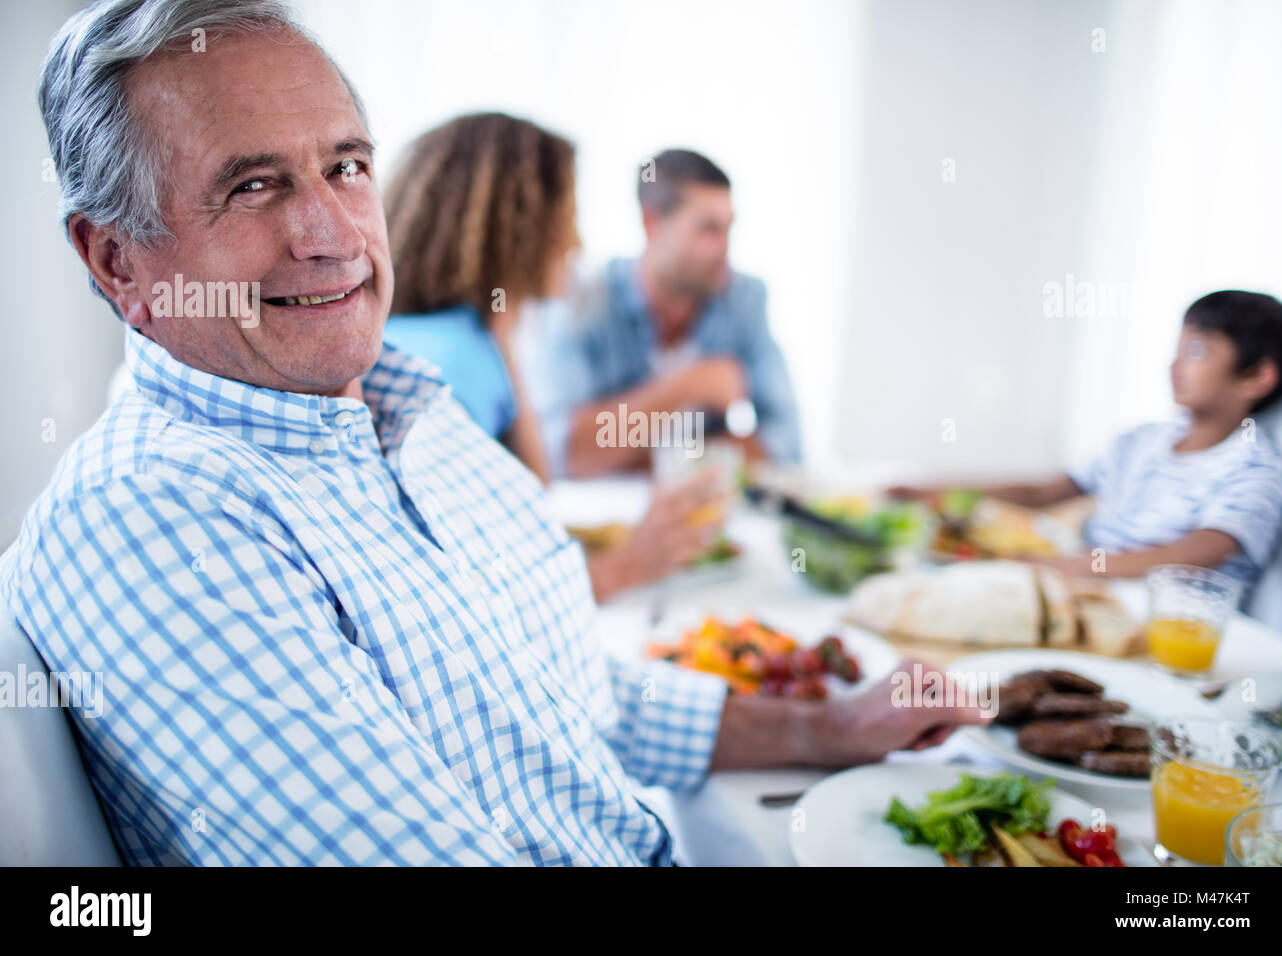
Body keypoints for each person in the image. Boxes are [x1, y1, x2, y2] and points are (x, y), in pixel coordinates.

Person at [2, 0, 987, 866]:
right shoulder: (154, 517)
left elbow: (551, 695)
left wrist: (830, 724)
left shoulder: (401, 407)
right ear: (117, 261)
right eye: (253, 186)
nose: (334, 231)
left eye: (346, 166)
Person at [381, 113, 724, 601]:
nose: (576, 242)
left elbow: (522, 512)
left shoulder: (475, 338)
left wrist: (505, 328)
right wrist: (628, 565)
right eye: (564, 218)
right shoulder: (452, 364)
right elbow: (469, 593)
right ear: (514, 227)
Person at [893, 291, 1282, 590]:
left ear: (1256, 377)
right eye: (1176, 348)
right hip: (1082, 586)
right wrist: (932, 488)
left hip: (1160, 622)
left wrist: (1075, 566)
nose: (1174, 364)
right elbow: (1043, 491)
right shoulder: (1139, 441)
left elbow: (1200, 551)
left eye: (1196, 350)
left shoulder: (1258, 467)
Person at [523, 148, 803, 479]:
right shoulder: (584, 300)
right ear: (651, 223)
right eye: (708, 229)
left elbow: (787, 444)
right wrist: (690, 385)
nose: (724, 248)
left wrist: (646, 453)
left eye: (729, 228)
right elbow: (559, 452)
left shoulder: (745, 299)